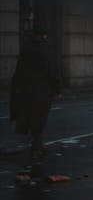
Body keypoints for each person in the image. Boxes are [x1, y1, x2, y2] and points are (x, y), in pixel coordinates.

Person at [10, 22, 61, 159]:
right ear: (44, 35)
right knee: (40, 118)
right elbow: (51, 71)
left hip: (26, 89)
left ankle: (38, 143)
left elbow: (19, 68)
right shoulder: (45, 48)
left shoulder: (26, 47)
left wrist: (15, 87)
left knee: (32, 117)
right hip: (42, 90)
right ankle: (36, 148)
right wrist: (57, 88)